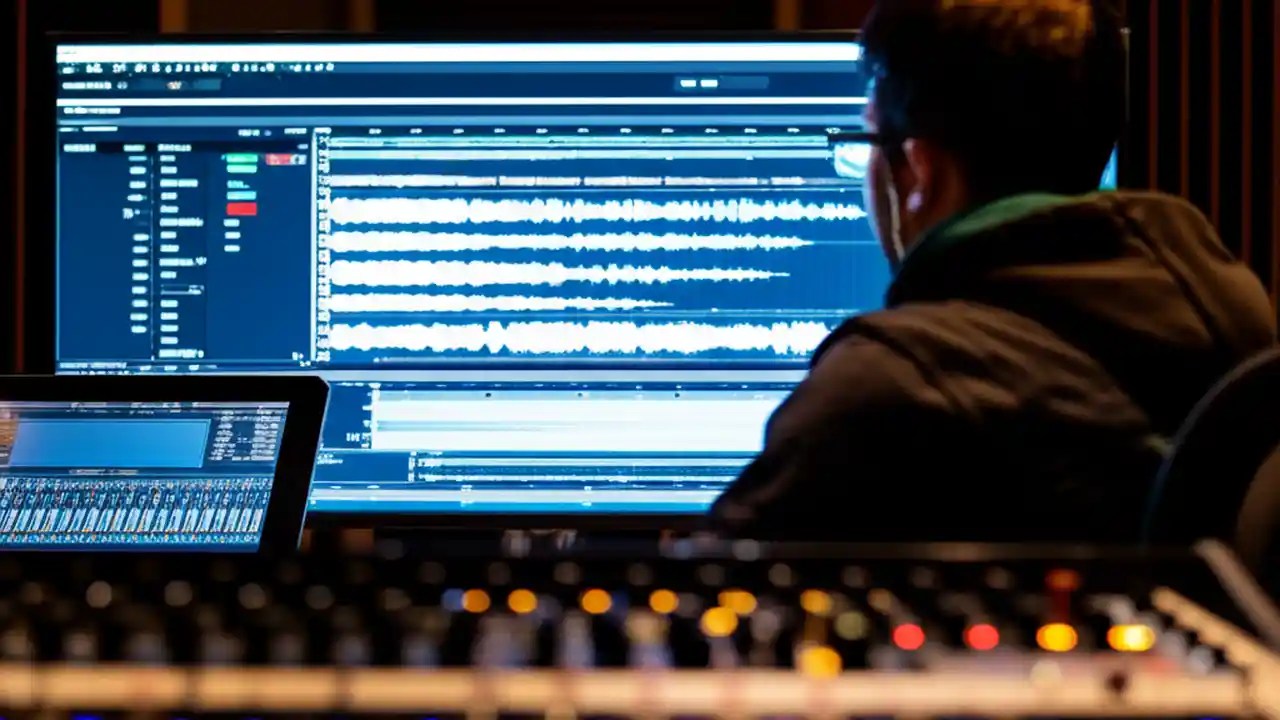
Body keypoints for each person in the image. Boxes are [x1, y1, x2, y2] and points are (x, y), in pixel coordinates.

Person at [709, 0, 1277, 542]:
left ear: (919, 170)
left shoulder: (887, 390)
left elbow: (715, 584)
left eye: (869, 141)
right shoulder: (1236, 336)